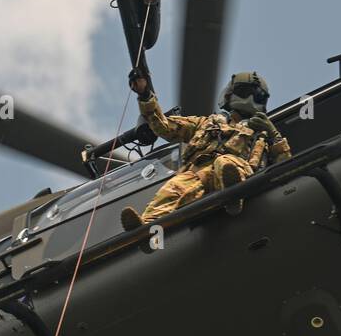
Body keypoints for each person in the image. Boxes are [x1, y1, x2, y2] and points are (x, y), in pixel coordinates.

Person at [120, 69, 291, 231]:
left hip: (237, 173)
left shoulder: (262, 136)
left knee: (225, 162)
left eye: (257, 96)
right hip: (197, 175)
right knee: (173, 187)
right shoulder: (206, 123)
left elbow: (285, 168)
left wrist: (274, 135)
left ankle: (233, 194)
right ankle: (147, 229)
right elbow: (165, 127)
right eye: (246, 92)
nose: (251, 99)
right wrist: (145, 95)